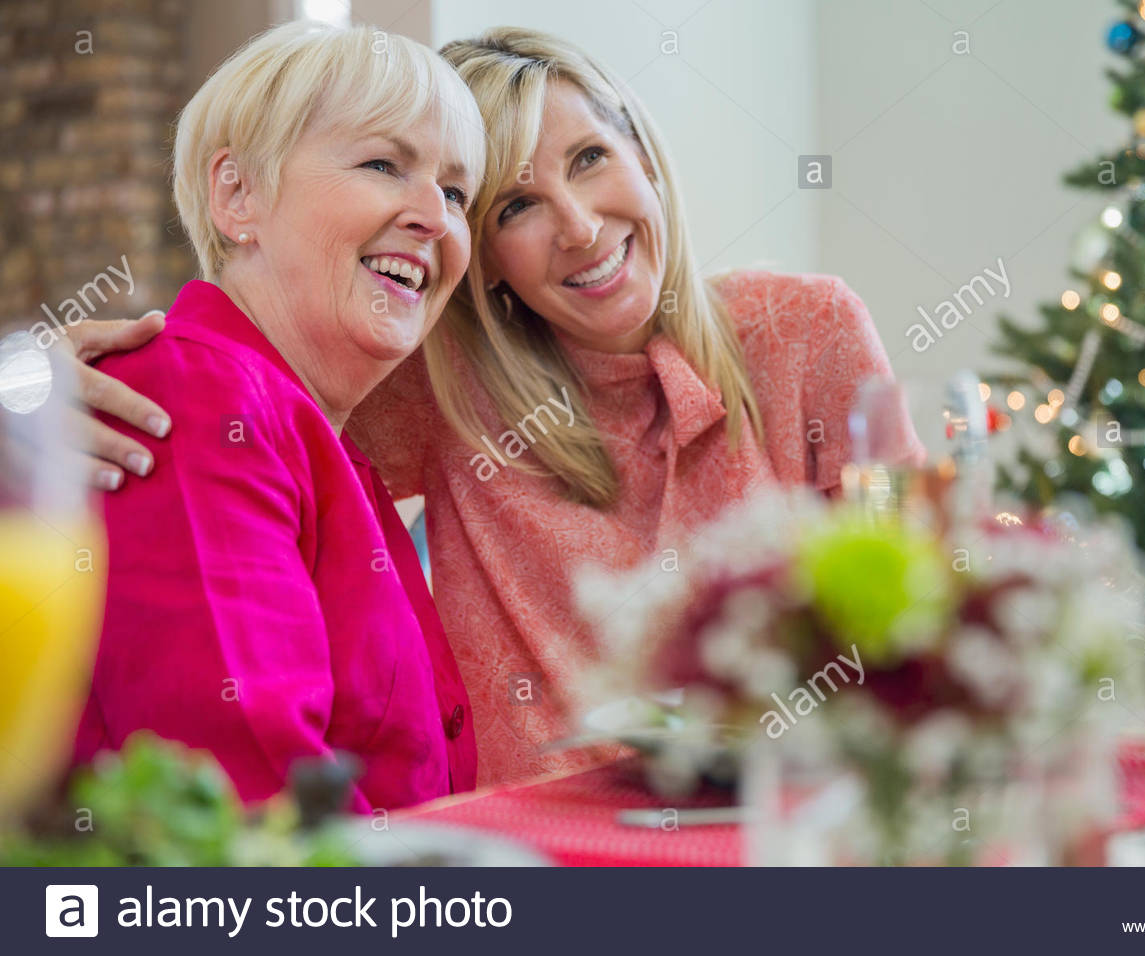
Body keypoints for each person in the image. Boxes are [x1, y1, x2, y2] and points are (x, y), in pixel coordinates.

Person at [72, 27, 922, 788]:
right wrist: (30, 393)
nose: (582, 228)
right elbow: (234, 373)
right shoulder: (434, 387)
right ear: (487, 266)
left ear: (645, 157)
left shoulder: (803, 327)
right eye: (513, 205)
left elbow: (927, 615)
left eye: (590, 157)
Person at [66, 21, 484, 809]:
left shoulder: (309, 430)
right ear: (238, 195)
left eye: (456, 192)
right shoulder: (189, 392)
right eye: (382, 164)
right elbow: (248, 790)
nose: (436, 215)